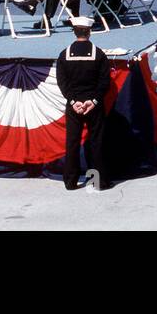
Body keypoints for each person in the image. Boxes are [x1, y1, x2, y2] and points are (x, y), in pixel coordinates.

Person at [55, 15, 110, 191]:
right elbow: (104, 82)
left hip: (74, 105)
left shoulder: (64, 55)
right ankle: (98, 182)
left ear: (74, 31)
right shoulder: (99, 54)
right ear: (90, 32)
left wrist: (73, 101)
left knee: (72, 142)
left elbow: (62, 83)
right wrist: (92, 101)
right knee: (97, 142)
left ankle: (70, 182)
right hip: (94, 105)